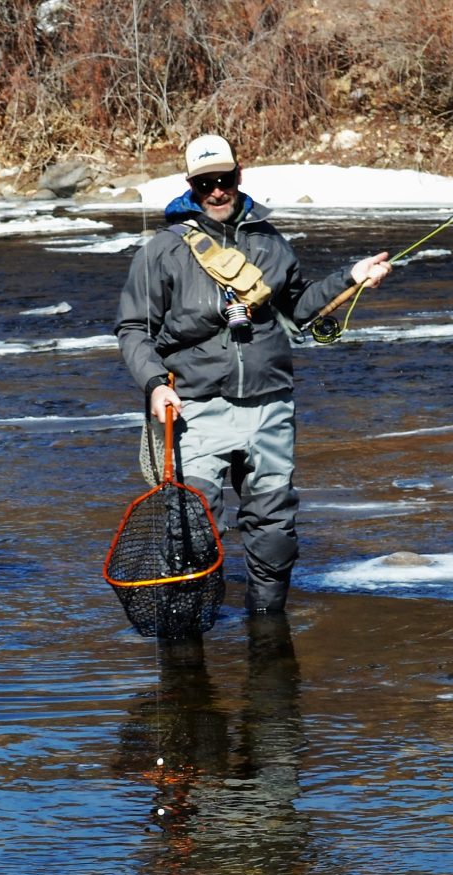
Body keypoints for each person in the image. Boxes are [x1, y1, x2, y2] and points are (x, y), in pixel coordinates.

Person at [116, 134, 391, 615]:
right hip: (195, 407)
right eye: (205, 184)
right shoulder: (162, 251)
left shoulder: (271, 243)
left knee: (274, 528)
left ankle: (268, 633)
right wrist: (155, 384)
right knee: (190, 527)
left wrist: (352, 276)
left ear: (239, 176)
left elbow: (299, 308)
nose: (217, 192)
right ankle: (188, 638)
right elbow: (133, 330)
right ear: (190, 186)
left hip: (269, 404)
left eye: (224, 180)